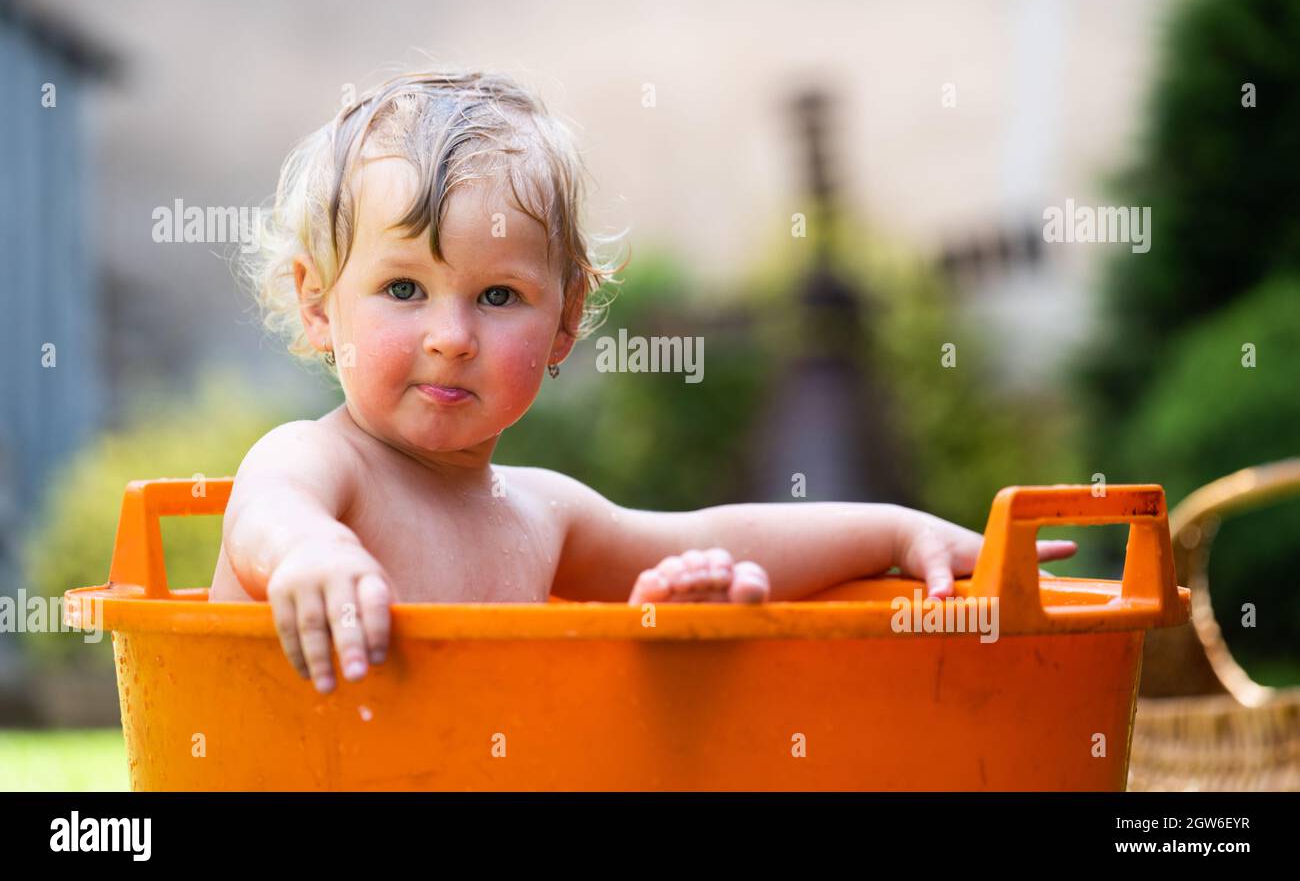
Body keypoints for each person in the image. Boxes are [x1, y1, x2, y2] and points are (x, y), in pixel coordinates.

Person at [209, 69, 1075, 694]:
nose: (451, 337)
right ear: (318, 305)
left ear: (565, 320)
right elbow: (265, 516)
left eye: (499, 295)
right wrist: (311, 552)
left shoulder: (541, 512)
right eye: (404, 289)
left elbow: (721, 536)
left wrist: (893, 530)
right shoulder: (318, 470)